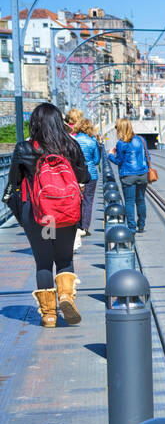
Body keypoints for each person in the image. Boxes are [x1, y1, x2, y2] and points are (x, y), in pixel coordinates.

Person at [2, 102, 90, 328]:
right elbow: (85, 177)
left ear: (35, 123)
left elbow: (11, 186)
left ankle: (49, 315)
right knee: (64, 260)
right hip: (64, 214)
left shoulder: (24, 148)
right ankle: (66, 298)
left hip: (38, 215)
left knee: (43, 263)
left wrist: (22, 216)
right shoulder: (70, 145)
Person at [109, 118, 151, 233]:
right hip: (142, 174)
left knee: (129, 202)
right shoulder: (141, 140)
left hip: (128, 176)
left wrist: (110, 155)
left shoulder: (121, 143)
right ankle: (141, 225)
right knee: (141, 200)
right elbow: (148, 158)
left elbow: (119, 161)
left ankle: (132, 227)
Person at [67, 110, 101, 249]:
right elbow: (97, 160)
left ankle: (76, 224)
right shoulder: (92, 141)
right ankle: (84, 228)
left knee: (76, 199)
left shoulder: (72, 140)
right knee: (88, 201)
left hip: (76, 174)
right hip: (91, 174)